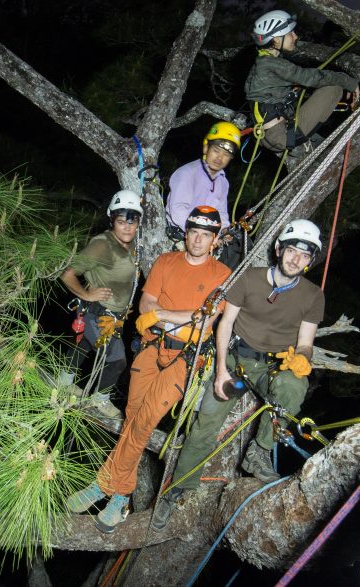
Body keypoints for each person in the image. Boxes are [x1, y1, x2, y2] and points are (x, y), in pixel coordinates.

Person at [64, 206, 232, 533]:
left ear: (213, 240)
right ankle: (121, 497)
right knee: (132, 416)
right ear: (186, 233)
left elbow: (204, 320)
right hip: (151, 348)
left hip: (185, 357)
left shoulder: (222, 275)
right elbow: (145, 305)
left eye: (205, 235)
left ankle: (105, 485)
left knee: (144, 420)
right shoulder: (166, 262)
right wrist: (173, 315)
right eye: (193, 232)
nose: (197, 240)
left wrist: (163, 314)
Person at [151, 218, 325, 530]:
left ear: (310, 261)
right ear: (278, 249)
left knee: (294, 385)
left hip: (273, 365)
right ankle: (176, 489)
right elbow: (225, 324)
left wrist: (301, 359)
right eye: (292, 251)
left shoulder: (313, 296)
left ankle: (259, 451)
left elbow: (305, 343)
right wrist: (220, 371)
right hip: (236, 360)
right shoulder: (249, 279)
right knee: (205, 426)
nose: (296, 259)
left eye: (305, 255)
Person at [59, 189, 143, 419]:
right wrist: (86, 294)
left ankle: (64, 381)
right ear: (112, 220)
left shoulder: (134, 246)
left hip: (114, 316)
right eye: (120, 221)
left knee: (84, 343)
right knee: (117, 361)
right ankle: (100, 399)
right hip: (98, 312)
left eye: (132, 221)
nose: (126, 226)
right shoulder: (103, 244)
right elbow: (68, 273)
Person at [244, 10, 359, 163]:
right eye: (290, 33)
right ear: (277, 40)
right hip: (281, 136)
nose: (296, 36)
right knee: (333, 89)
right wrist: (349, 82)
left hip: (267, 135)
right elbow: (313, 77)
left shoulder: (261, 63)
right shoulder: (273, 64)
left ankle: (317, 143)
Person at [165, 122, 242, 236]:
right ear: (206, 148)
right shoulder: (187, 173)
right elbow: (178, 212)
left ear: (231, 158)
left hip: (206, 236)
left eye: (226, 154)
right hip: (181, 233)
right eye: (216, 150)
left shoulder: (223, 182)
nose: (219, 158)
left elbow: (221, 213)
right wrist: (202, 234)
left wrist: (225, 231)